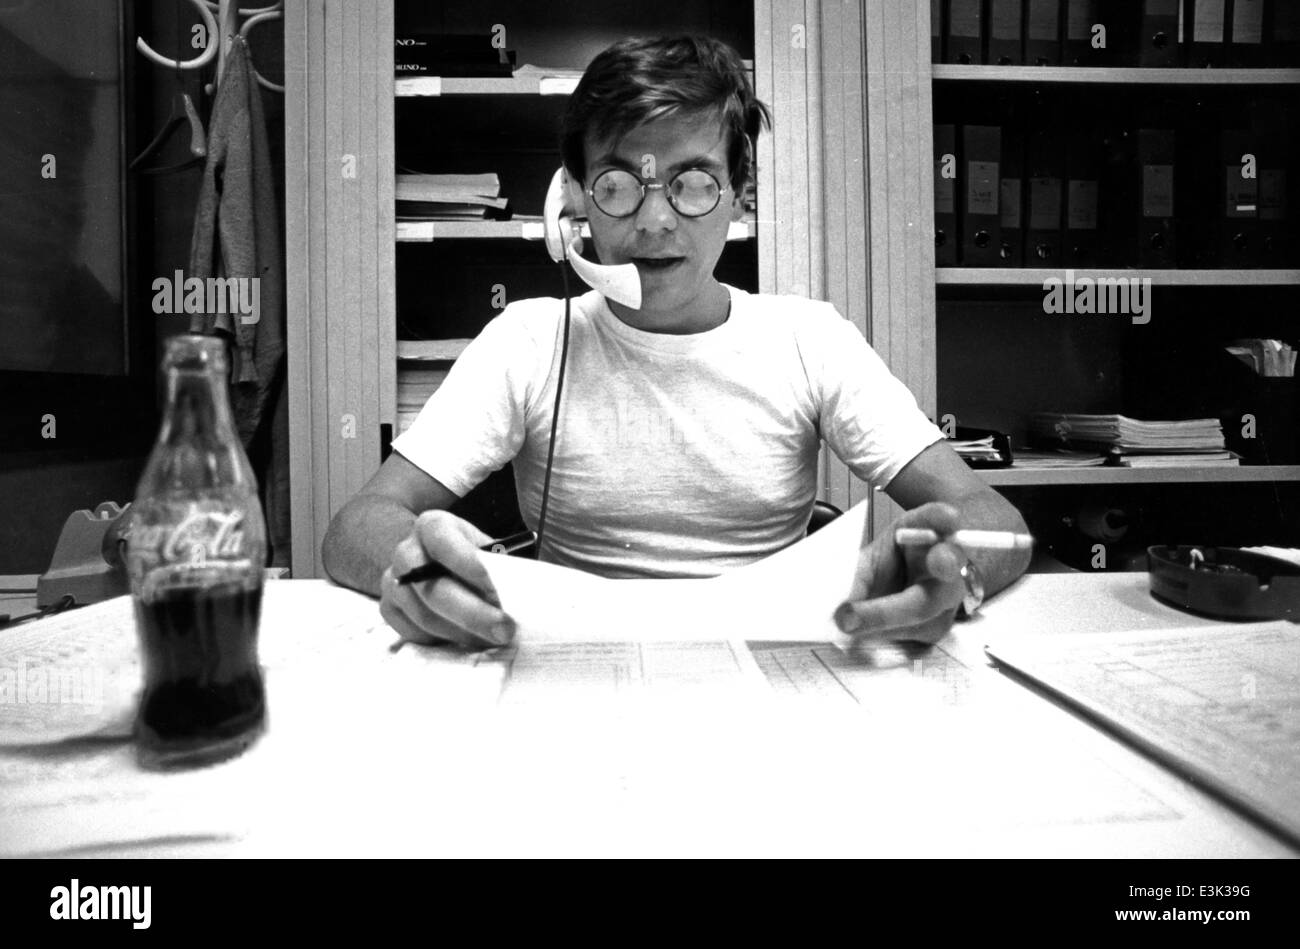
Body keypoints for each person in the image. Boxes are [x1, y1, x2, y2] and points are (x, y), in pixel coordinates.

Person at [322, 34, 1030, 650]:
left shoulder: (809, 338)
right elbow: (356, 524)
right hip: (571, 665)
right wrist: (413, 566)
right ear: (573, 200)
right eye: (619, 184)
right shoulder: (530, 342)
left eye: (693, 183)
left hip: (771, 660)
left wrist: (951, 570)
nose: (656, 220)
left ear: (739, 191)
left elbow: (994, 517)